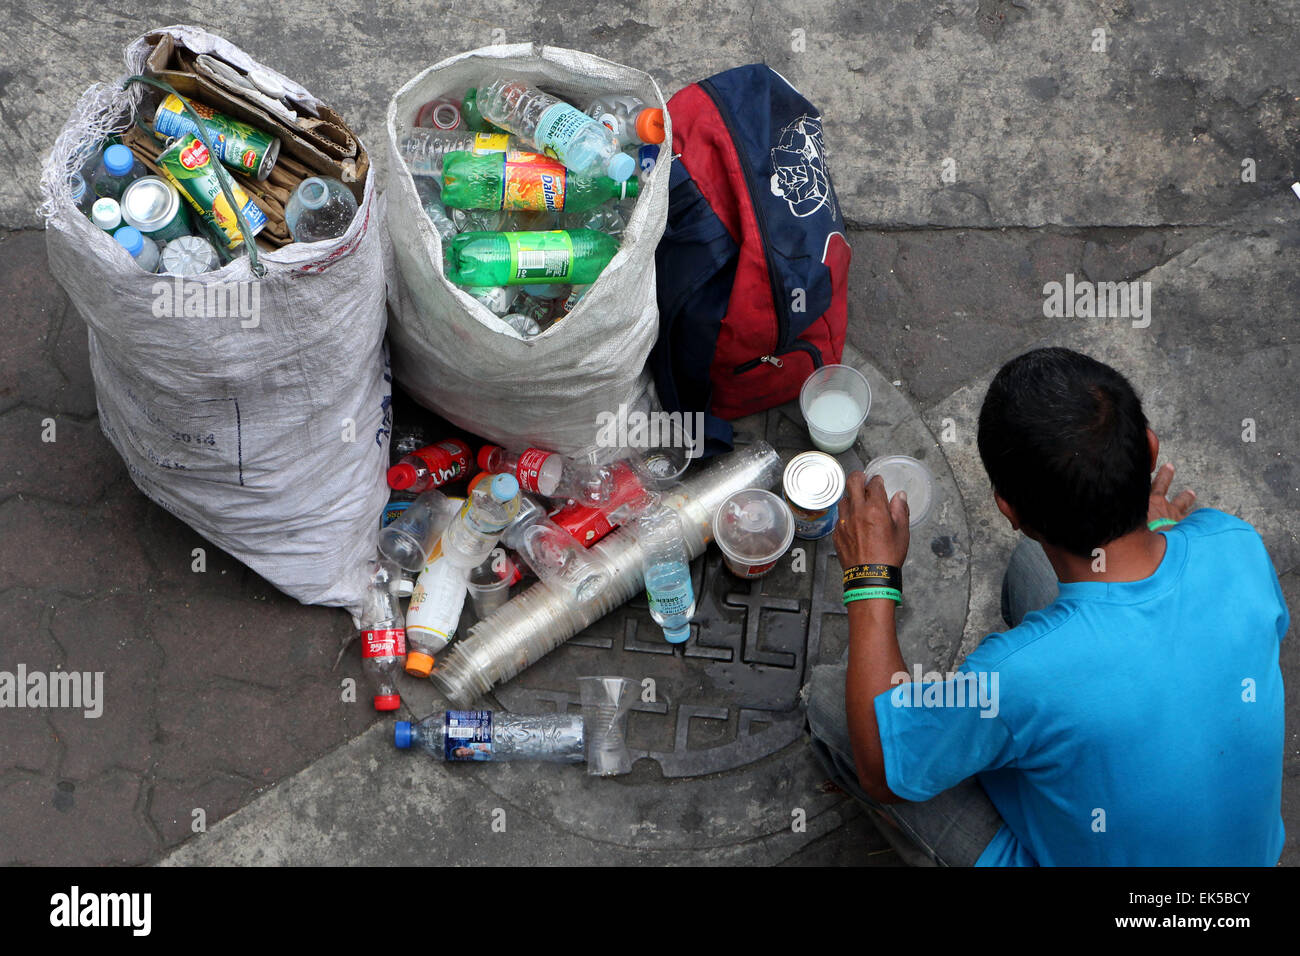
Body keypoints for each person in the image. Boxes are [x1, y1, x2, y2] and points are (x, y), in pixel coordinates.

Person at [805, 347, 1289, 865]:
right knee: (1031, 571)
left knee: (837, 704)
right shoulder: (1234, 541)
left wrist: (869, 578)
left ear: (1008, 510)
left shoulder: (1015, 675)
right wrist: (1162, 529)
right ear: (1150, 451)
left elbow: (882, 766)